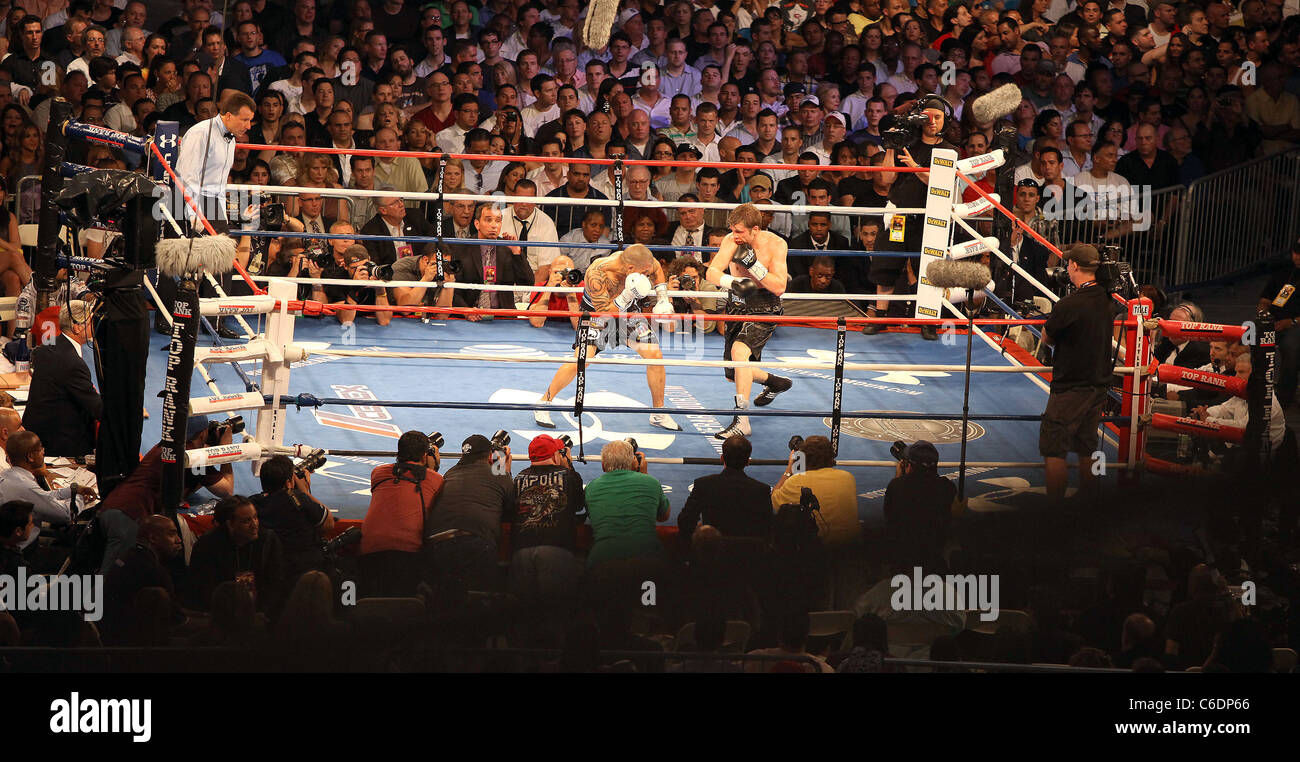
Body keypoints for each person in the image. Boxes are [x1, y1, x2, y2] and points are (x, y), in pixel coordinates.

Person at [532, 244, 681, 432]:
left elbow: (656, 268)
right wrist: (628, 294)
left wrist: (662, 298)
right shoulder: (597, 273)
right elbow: (605, 312)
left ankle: (658, 412)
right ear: (630, 269)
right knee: (582, 360)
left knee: (655, 356)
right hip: (596, 314)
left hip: (629, 313)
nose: (646, 275)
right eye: (642, 273)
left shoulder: (640, 259)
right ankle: (544, 403)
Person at [705, 203, 793, 439]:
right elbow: (711, 273)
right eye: (732, 230)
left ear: (755, 229)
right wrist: (733, 282)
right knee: (734, 371)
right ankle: (775, 382)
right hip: (736, 303)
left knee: (739, 351)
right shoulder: (731, 241)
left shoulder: (776, 244)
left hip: (764, 306)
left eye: (740, 231)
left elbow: (779, 286)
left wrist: (754, 266)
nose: (735, 236)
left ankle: (741, 420)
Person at [1038, 244, 1116, 504]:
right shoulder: (1107, 299)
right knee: (1087, 448)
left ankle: (1055, 510)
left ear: (1073, 266)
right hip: (1098, 385)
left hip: (1071, 386)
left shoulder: (1070, 304)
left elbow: (1047, 337)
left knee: (1054, 449)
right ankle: (1090, 506)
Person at [880, 96, 955, 341]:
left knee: (928, 269)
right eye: (928, 116)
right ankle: (880, 318)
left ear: (946, 120)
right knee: (887, 263)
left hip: (930, 219)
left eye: (938, 117)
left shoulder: (948, 151)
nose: (932, 122)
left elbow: (941, 186)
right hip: (900, 215)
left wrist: (915, 167)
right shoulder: (907, 143)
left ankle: (928, 322)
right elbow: (887, 180)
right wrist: (891, 146)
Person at [423, 434, 516, 595]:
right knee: (480, 601)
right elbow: (510, 508)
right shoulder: (497, 472)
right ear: (489, 455)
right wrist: (505, 468)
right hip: (476, 542)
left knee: (443, 600)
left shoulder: (450, 473)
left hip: (438, 543)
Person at [360, 430, 443, 596]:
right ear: (425, 456)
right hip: (408, 555)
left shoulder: (377, 473)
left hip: (368, 553)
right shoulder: (435, 479)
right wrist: (432, 466)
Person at [508, 434, 586, 607]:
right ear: (556, 455)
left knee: (524, 612)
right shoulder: (569, 476)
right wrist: (569, 466)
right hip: (556, 548)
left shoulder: (519, 478)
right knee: (556, 611)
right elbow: (579, 505)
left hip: (521, 550)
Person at [21, 301, 101, 458]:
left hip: (37, 433)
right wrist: (128, 412)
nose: (95, 324)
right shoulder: (72, 363)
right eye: (91, 320)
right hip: (59, 444)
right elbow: (97, 408)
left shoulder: (47, 347)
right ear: (77, 327)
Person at [186, 494, 286, 615]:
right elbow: (201, 588)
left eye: (255, 517)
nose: (254, 525)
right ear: (230, 524)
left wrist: (262, 611)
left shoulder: (268, 541)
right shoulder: (207, 546)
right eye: (246, 521)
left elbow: (276, 582)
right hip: (221, 612)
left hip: (261, 612)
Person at [0, 431, 97, 552]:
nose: (44, 451)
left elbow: (44, 496)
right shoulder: (25, 486)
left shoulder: (9, 475)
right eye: (40, 448)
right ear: (30, 456)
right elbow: (66, 514)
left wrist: (73, 489)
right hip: (25, 553)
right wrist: (80, 497)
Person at [173, 90, 256, 228]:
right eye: (245, 120)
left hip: (214, 205)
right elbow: (187, 175)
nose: (248, 126)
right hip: (191, 203)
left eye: (250, 121)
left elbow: (221, 183)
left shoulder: (231, 139)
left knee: (224, 248)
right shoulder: (201, 133)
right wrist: (193, 214)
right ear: (229, 116)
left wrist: (222, 215)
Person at [100, 515, 185, 645]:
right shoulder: (152, 570)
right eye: (172, 534)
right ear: (152, 538)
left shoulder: (129, 556)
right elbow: (178, 620)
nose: (179, 540)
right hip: (132, 648)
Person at [584, 439, 669, 567]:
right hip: (648, 558)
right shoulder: (652, 483)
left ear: (603, 465)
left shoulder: (591, 487)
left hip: (603, 560)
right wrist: (645, 475)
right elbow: (664, 517)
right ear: (634, 463)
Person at [678, 434, 772, 545]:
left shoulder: (704, 485)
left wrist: (699, 537)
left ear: (722, 458)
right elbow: (768, 529)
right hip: (748, 557)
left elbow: (685, 521)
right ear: (748, 461)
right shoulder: (762, 491)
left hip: (711, 554)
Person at [252, 454, 334, 578]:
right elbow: (328, 524)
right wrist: (304, 491)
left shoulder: (253, 503)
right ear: (288, 482)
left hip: (266, 572)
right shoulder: (296, 499)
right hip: (302, 573)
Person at [771, 435, 860, 548]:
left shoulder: (796, 481)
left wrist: (790, 468)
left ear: (804, 458)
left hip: (815, 549)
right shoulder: (848, 478)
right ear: (831, 457)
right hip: (850, 548)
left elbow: (774, 498)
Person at [445, 202, 535, 314]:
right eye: (488, 220)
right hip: (470, 316)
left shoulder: (508, 248)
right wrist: (466, 311)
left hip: (502, 317)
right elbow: (452, 288)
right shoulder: (461, 248)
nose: (494, 225)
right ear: (477, 224)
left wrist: (517, 253)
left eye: (498, 220)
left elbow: (528, 283)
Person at [882, 440, 956, 571]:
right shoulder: (947, 487)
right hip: (934, 554)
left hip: (903, 557)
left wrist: (898, 478)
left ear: (909, 466)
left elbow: (889, 516)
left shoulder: (897, 486)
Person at [1258, 238, 1300, 407]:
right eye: (1296, 253)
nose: (1298, 257)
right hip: (1273, 322)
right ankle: (1249, 385)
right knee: (1246, 334)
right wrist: (1264, 313)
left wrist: (1291, 322)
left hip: (1296, 325)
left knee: (1291, 345)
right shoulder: (1283, 272)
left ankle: (1284, 396)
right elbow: (1264, 300)